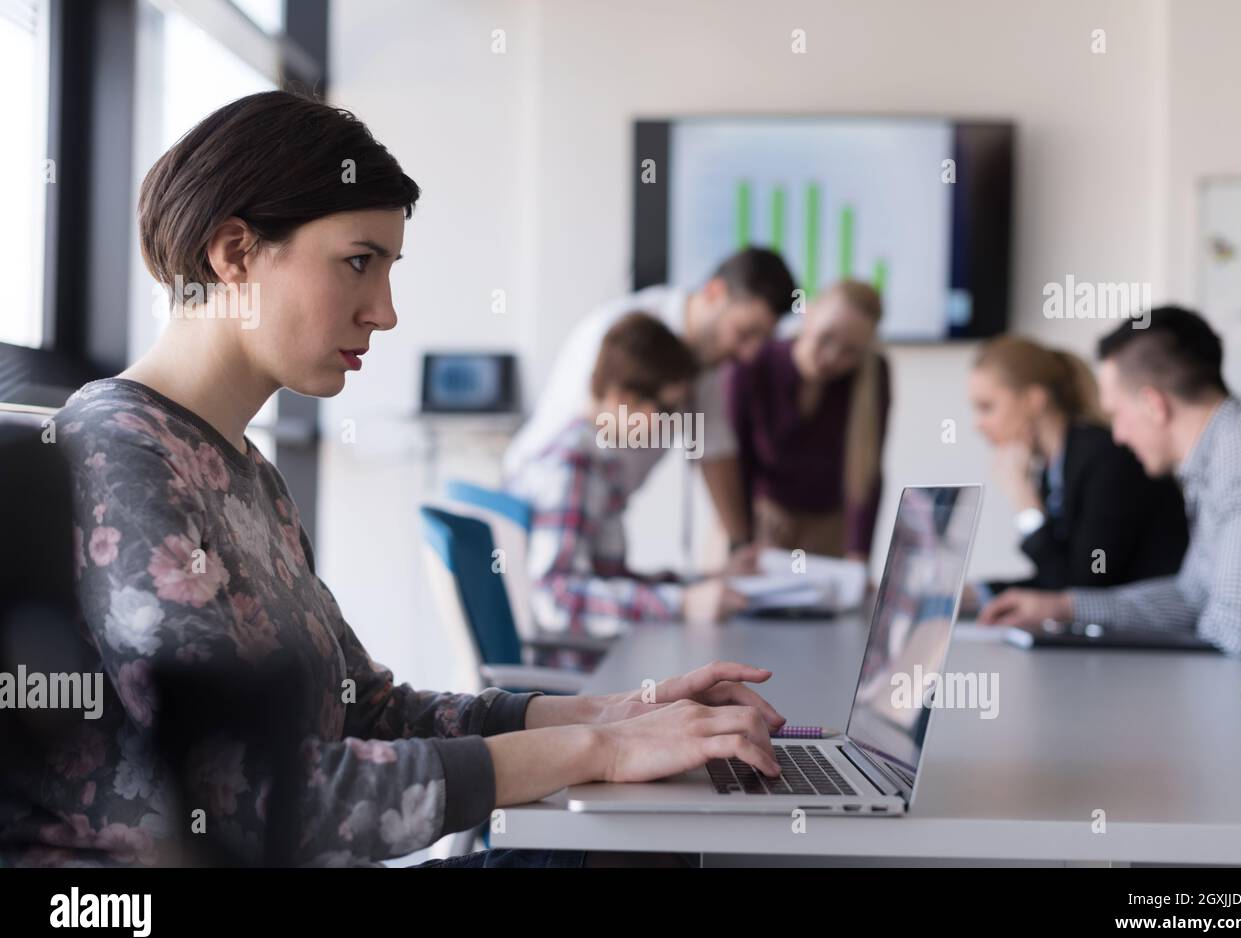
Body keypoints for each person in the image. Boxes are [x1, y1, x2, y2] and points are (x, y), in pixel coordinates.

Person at [3, 91, 787, 868]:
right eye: (357, 263)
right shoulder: (118, 453)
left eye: (387, 268)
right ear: (235, 252)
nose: (385, 311)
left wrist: (613, 711)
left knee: (662, 840)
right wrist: (596, 749)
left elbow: (369, 712)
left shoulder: (248, 474)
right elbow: (244, 796)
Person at [980, 307, 1241, 662]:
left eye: (1116, 413)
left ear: (1153, 404)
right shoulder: (1214, 460)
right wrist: (1064, 607)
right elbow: (1192, 597)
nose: (1117, 435)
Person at [503, 247, 798, 549]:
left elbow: (714, 450)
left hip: (593, 519)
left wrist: (740, 546)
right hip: (542, 512)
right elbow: (580, 442)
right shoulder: (621, 334)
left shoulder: (707, 362)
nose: (747, 354)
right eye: (745, 332)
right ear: (714, 292)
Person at [506, 312, 754, 639]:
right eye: (665, 409)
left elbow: (608, 580)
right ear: (623, 397)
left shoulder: (598, 460)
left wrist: (699, 584)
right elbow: (557, 597)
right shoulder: (573, 463)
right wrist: (679, 604)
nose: (669, 423)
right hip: (582, 671)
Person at [967, 335, 1187, 596]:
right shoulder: (1057, 467)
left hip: (1145, 630)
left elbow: (1081, 588)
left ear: (1033, 400)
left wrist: (1025, 502)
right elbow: (1056, 577)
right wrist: (978, 593)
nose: (978, 424)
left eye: (987, 407)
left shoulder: (1108, 459)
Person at [727, 279, 891, 560]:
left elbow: (866, 474)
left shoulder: (874, 376)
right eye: (826, 338)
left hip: (830, 534)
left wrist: (859, 555)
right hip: (759, 524)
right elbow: (735, 462)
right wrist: (741, 541)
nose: (832, 357)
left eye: (850, 351)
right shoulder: (754, 365)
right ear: (808, 313)